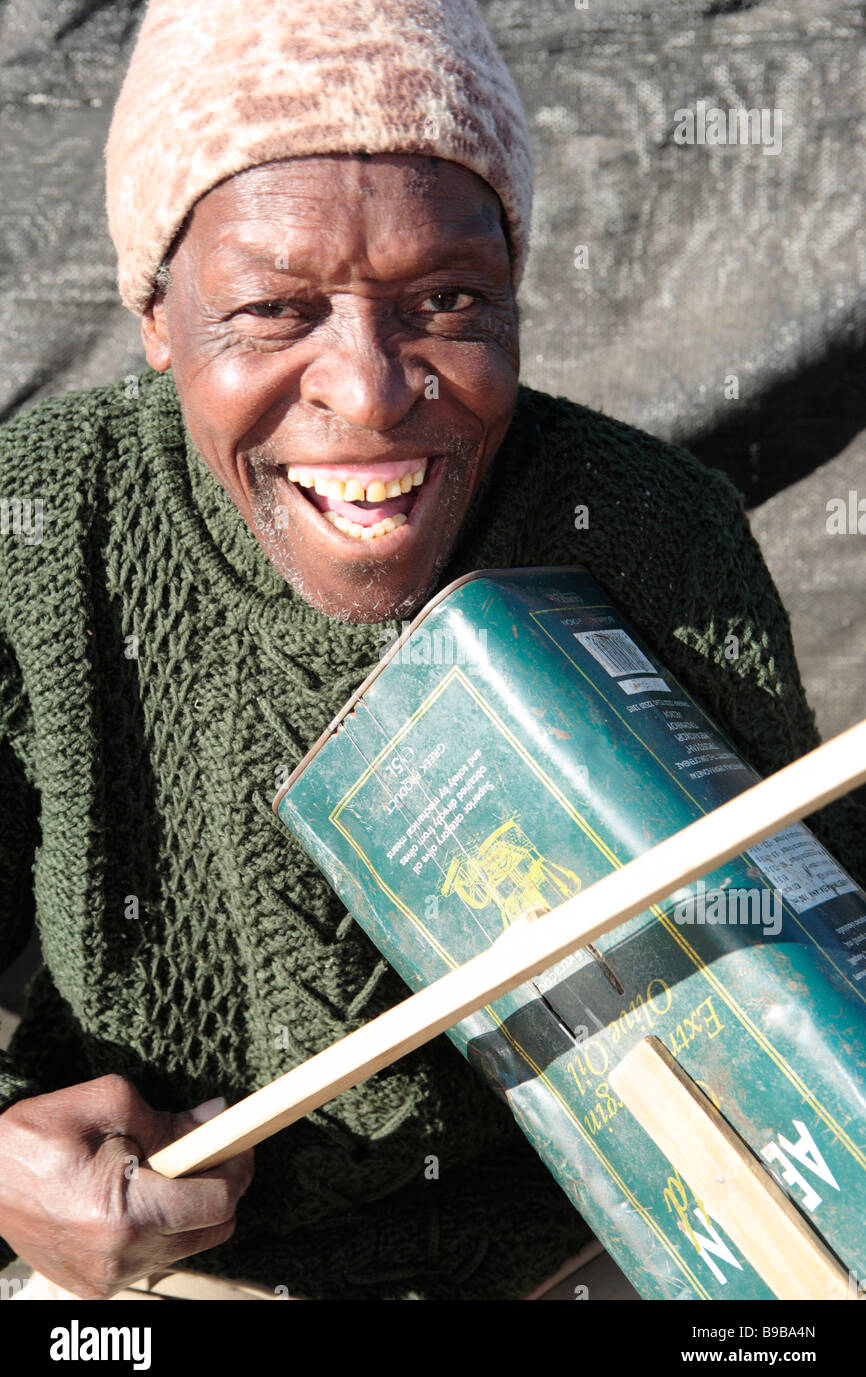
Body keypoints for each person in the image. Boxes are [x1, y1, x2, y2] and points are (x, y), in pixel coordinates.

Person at [0, 0, 862, 1302]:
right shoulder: (43, 521)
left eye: (448, 300)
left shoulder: (641, 524)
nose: (370, 389)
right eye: (273, 311)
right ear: (156, 316)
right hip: (148, 1269)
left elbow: (810, 973)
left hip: (576, 1250)